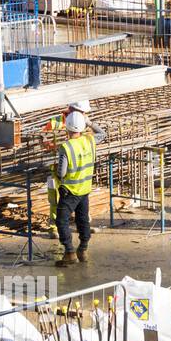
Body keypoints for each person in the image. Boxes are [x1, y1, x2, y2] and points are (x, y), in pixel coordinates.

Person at [42, 100, 106, 238]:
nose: (84, 115)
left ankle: (83, 226)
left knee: (81, 199)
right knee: (55, 198)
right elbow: (42, 139)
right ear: (73, 110)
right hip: (58, 168)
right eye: (82, 112)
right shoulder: (55, 123)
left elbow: (93, 138)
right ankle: (54, 227)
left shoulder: (82, 123)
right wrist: (53, 146)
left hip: (76, 169)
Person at [54, 111, 96, 267]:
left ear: (67, 128)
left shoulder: (66, 147)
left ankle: (70, 252)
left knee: (61, 221)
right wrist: (90, 122)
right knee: (83, 220)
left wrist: (57, 173)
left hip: (70, 191)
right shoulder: (90, 141)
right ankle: (83, 249)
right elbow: (102, 133)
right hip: (84, 190)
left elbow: (62, 172)